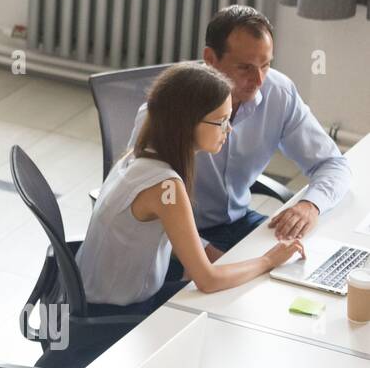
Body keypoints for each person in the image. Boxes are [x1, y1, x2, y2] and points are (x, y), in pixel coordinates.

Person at [80, 62, 305, 315]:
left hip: (92, 296)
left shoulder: (136, 156)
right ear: (186, 123)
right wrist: (269, 260)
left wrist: (205, 254)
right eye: (221, 121)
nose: (229, 129)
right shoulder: (166, 186)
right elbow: (208, 281)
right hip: (116, 315)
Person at [129, 5, 350, 260]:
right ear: (210, 59)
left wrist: (310, 205)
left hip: (238, 222)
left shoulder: (279, 92)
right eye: (245, 68)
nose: (258, 81)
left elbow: (333, 164)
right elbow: (144, 202)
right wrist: (209, 256)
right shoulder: (168, 111)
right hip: (175, 238)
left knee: (304, 263)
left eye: (265, 65)